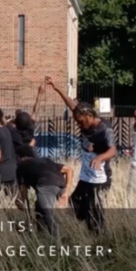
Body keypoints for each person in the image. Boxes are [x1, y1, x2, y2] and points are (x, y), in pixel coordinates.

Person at [45, 76, 115, 234]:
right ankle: (82, 235)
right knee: (74, 207)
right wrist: (57, 88)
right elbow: (73, 106)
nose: (79, 125)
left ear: (89, 116)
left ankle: (99, 237)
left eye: (81, 122)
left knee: (94, 210)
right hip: (85, 177)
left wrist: (99, 157)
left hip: (100, 177)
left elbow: (113, 150)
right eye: (77, 122)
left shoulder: (105, 129)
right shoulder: (83, 119)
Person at [14, 143, 75, 237]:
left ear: (21, 157)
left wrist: (28, 215)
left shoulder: (21, 166)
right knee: (39, 206)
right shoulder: (45, 160)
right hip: (61, 184)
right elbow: (69, 170)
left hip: (45, 187)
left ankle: (56, 244)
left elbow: (24, 193)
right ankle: (43, 234)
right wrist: (66, 193)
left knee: (49, 217)